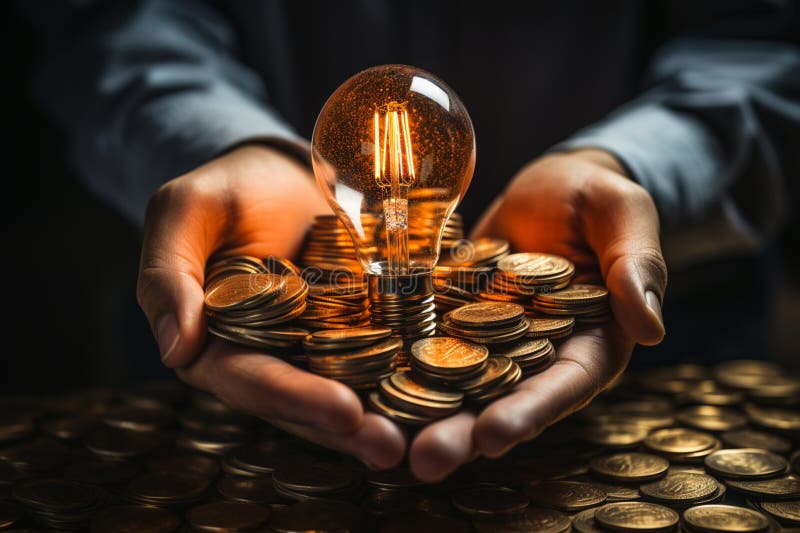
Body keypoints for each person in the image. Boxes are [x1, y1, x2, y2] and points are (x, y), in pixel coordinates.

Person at [30, 1, 799, 481]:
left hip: (689, 337)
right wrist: (221, 143)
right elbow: (106, 16)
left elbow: (766, 37)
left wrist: (633, 166)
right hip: (232, 370)